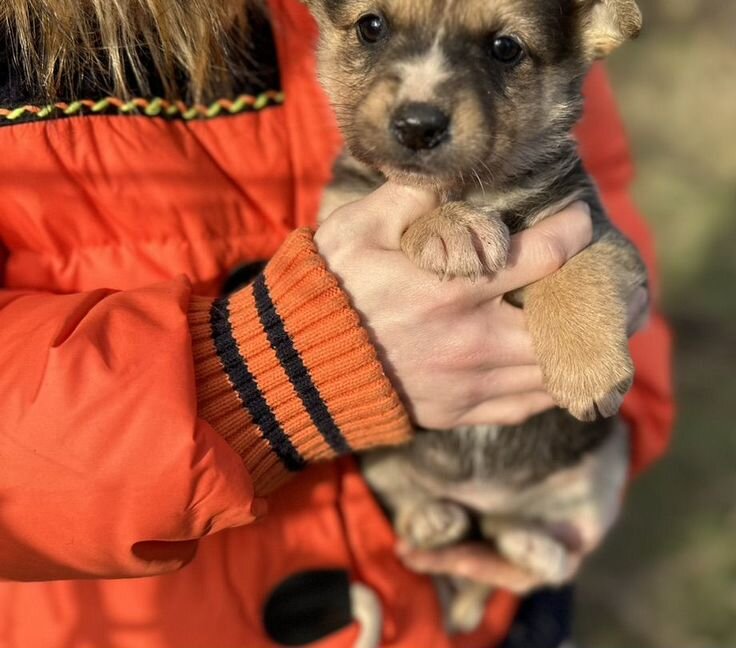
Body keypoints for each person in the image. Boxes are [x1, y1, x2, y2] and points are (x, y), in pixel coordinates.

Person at [0, 1, 674, 647]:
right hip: (148, 616)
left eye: (502, 48)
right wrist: (272, 377)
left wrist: (616, 436)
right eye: (373, 26)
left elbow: (601, 189)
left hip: (490, 610)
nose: (422, 100)